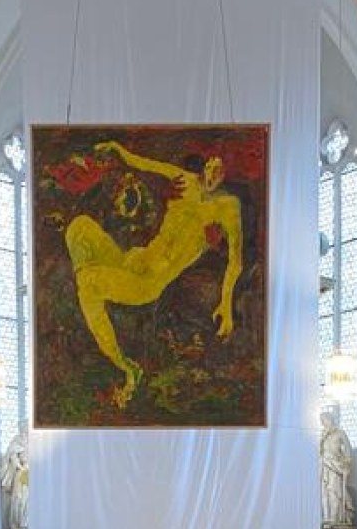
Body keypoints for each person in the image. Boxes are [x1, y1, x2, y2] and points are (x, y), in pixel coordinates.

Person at [67, 140, 245, 407]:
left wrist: (226, 304)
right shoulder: (183, 180)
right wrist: (118, 148)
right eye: (210, 167)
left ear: (223, 176)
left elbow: (236, 261)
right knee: (79, 227)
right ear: (205, 167)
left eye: (218, 171)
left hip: (146, 283)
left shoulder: (228, 208)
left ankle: (126, 368)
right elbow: (145, 163)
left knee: (88, 283)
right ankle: (90, 285)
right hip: (132, 260)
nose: (211, 175)